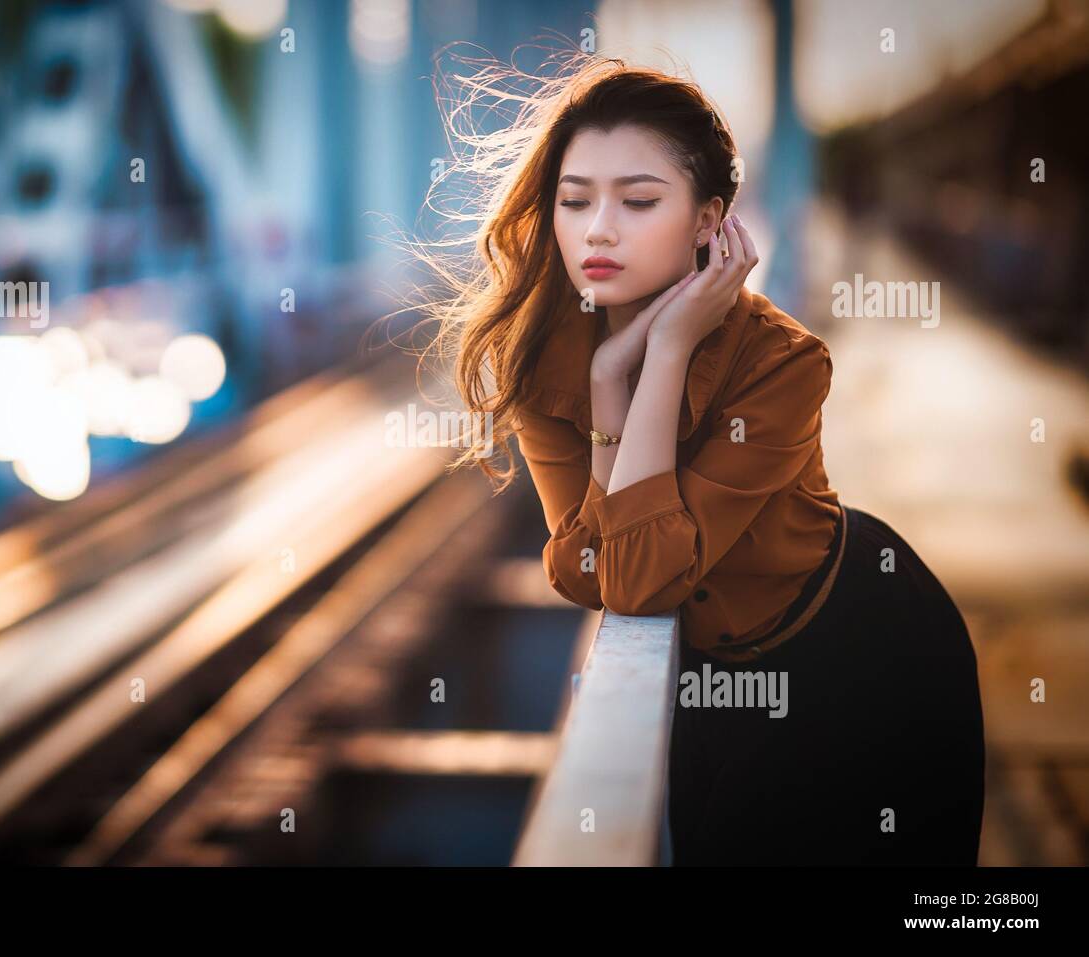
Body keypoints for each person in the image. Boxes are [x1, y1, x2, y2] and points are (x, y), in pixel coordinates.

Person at [407, 51, 985, 865]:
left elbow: (636, 576)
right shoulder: (544, 362)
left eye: (639, 201)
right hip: (709, 682)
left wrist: (668, 349)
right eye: (575, 202)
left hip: (859, 654)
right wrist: (611, 381)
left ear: (711, 221)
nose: (598, 229)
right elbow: (589, 571)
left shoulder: (782, 365)